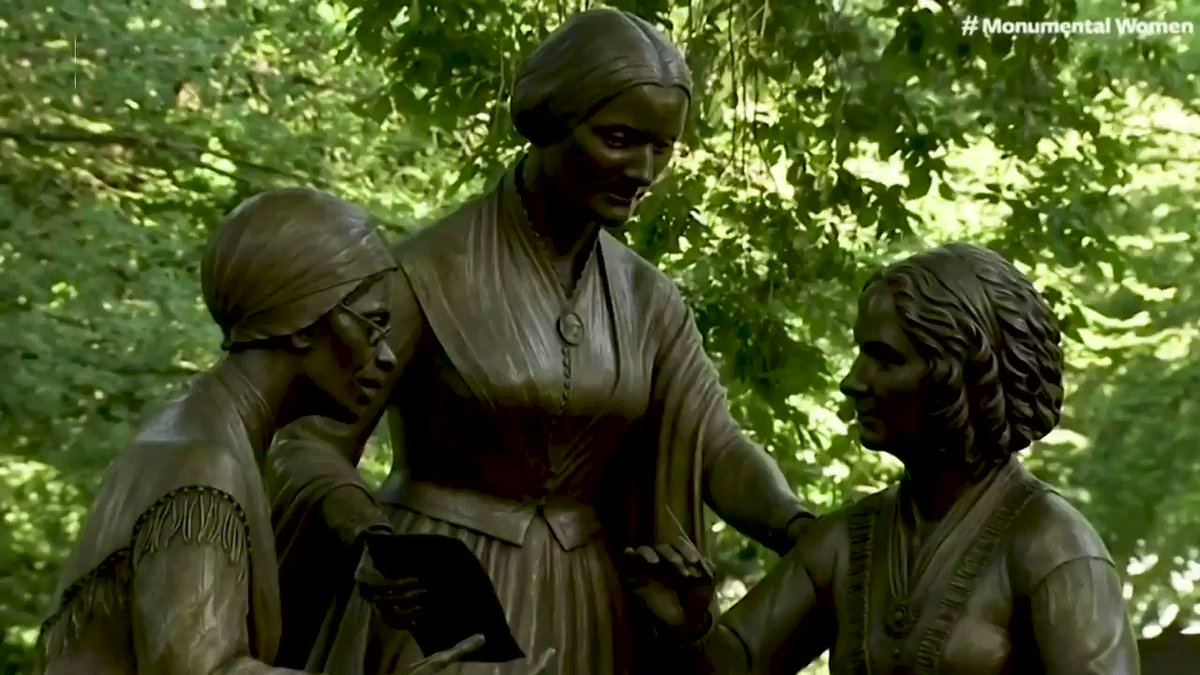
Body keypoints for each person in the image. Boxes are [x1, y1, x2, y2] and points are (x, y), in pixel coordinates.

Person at [263, 7, 815, 675]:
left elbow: (716, 446)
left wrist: (797, 527)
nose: (642, 169)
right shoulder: (424, 273)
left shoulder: (650, 300)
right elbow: (311, 441)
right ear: (551, 118)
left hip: (593, 605)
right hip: (437, 601)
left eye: (661, 147)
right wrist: (371, 537)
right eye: (618, 139)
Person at [34, 189, 495, 674]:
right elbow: (203, 671)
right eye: (373, 324)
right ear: (303, 322)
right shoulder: (204, 471)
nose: (387, 355)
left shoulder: (193, 429)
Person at [632, 243, 1142, 674]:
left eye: (885, 359)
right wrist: (689, 627)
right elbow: (738, 663)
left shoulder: (1053, 547)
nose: (853, 381)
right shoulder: (847, 541)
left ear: (961, 376)